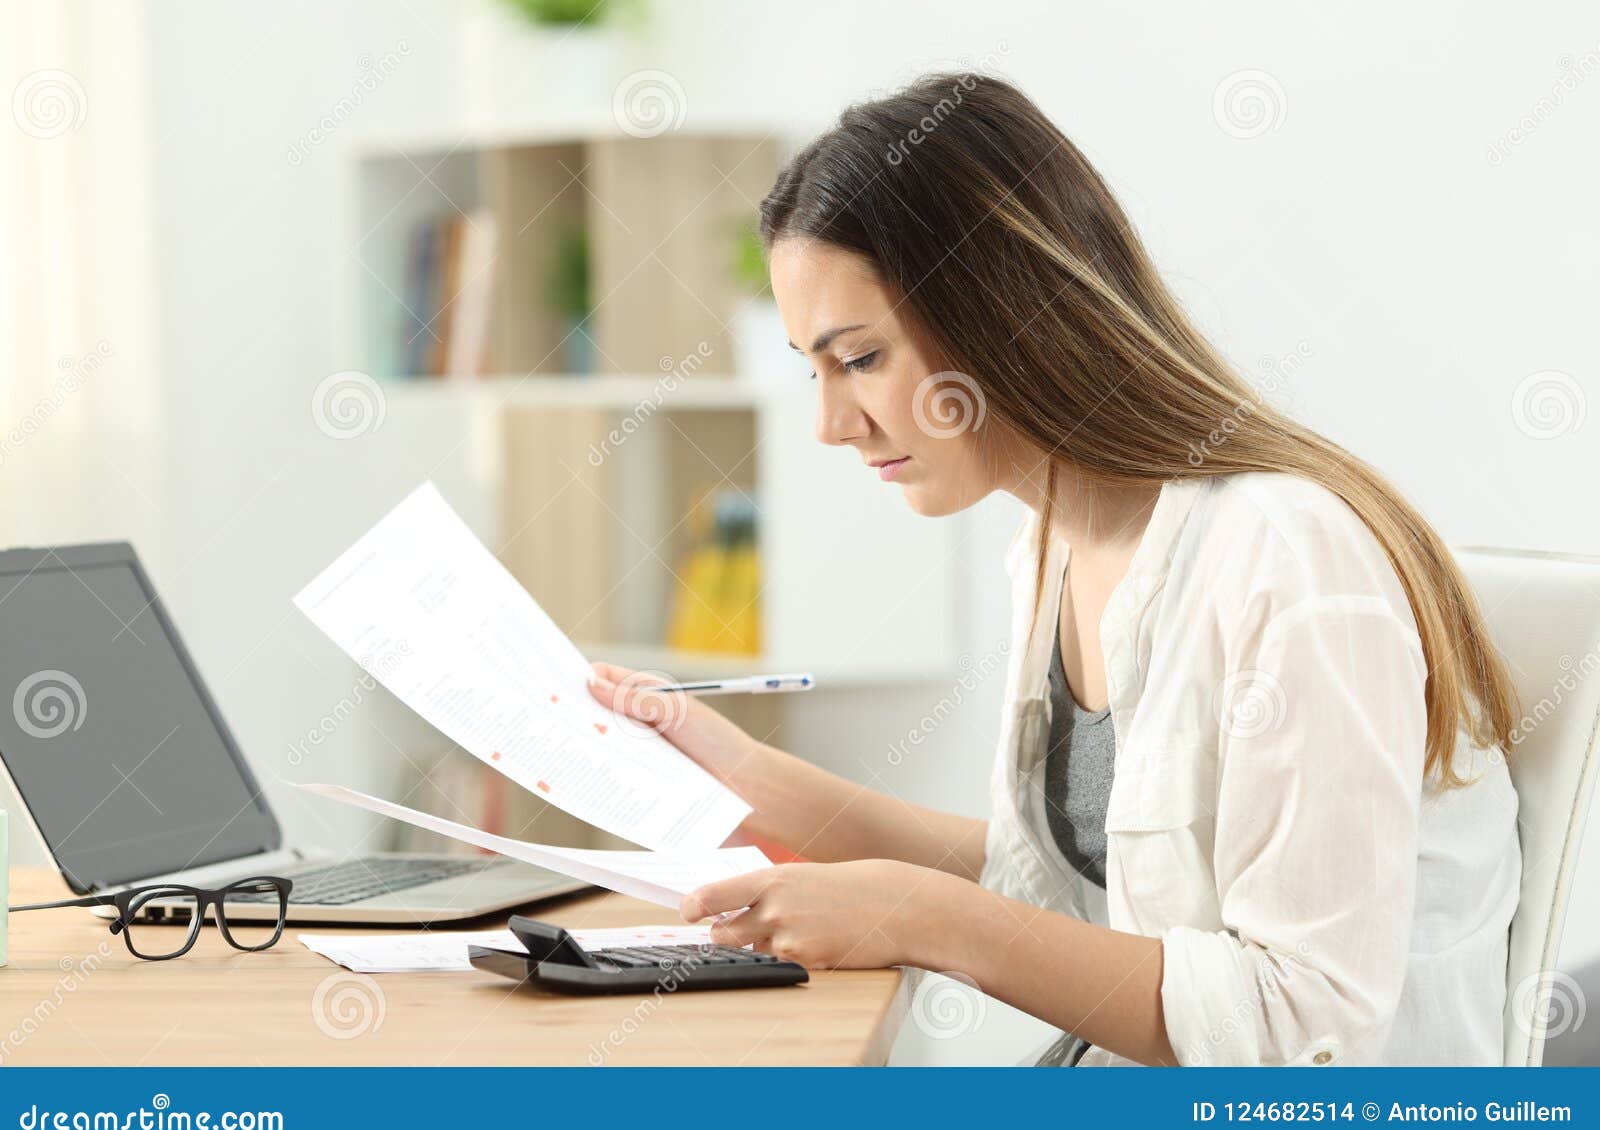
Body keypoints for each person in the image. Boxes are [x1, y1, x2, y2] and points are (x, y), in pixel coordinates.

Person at [588, 74, 1521, 1066]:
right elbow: (1054, 885)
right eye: (809, 368)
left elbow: (1301, 1024)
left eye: (858, 358)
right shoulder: (1056, 543)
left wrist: (921, 917)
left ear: (1004, 311)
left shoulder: (1285, 558)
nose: (829, 424)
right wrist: (747, 776)